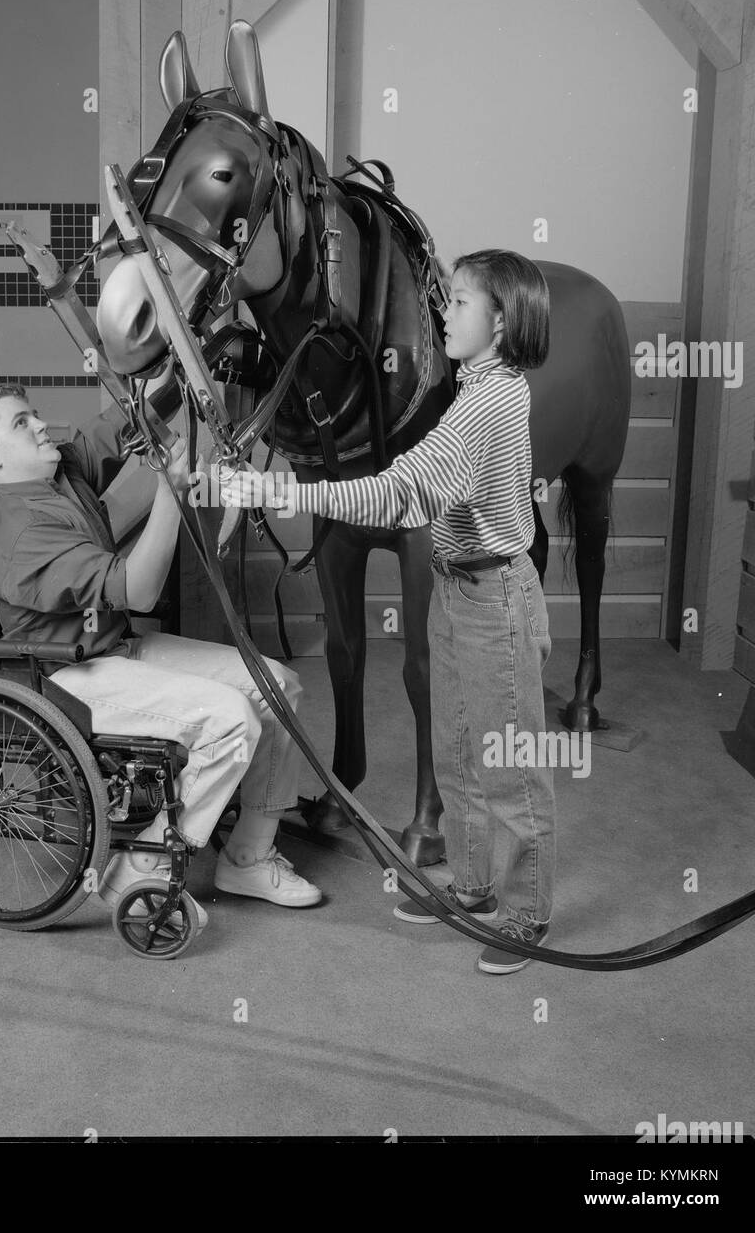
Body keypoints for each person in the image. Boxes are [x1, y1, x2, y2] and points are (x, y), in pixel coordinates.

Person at [218, 249, 553, 973]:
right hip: (459, 585)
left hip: (496, 598)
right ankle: (471, 887)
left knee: (511, 769)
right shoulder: (476, 388)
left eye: (460, 302)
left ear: (501, 321)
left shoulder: (491, 403)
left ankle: (525, 917)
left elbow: (404, 492)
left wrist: (292, 494)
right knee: (458, 751)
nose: (445, 312)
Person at [0, 382, 321, 938]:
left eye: (35, 415)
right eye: (22, 423)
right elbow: (140, 589)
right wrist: (171, 492)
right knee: (232, 719)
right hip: (71, 675)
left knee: (278, 686)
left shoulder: (60, 470)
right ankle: (140, 864)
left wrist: (182, 369)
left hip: (114, 645)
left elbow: (131, 416)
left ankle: (248, 858)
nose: (41, 425)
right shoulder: (22, 532)